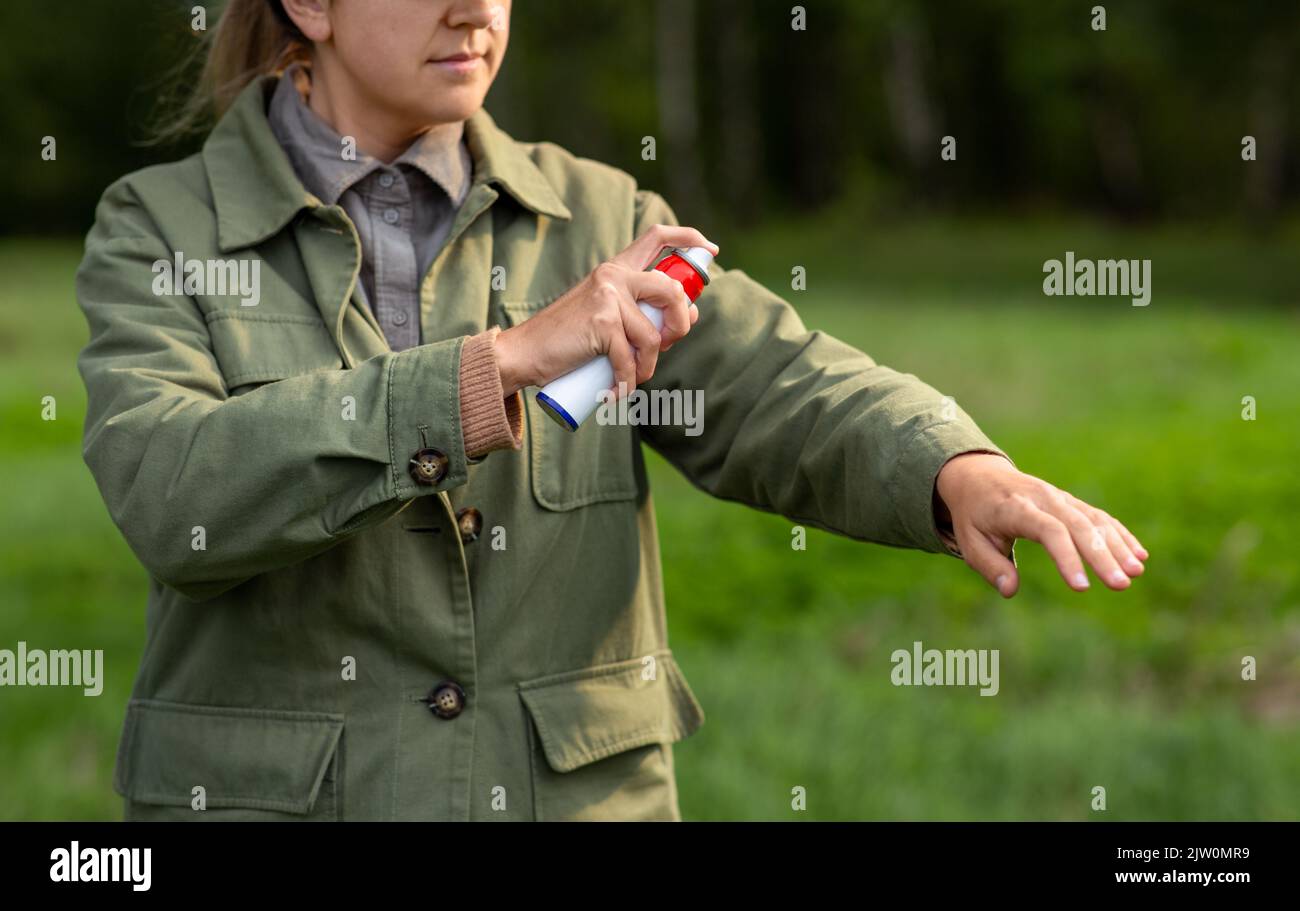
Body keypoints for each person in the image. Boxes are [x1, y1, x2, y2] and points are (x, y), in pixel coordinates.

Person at [76, 0, 1147, 821]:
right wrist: (503, 360)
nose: (477, 8)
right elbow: (175, 490)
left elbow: (777, 384)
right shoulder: (159, 232)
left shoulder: (603, 216)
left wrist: (952, 467)